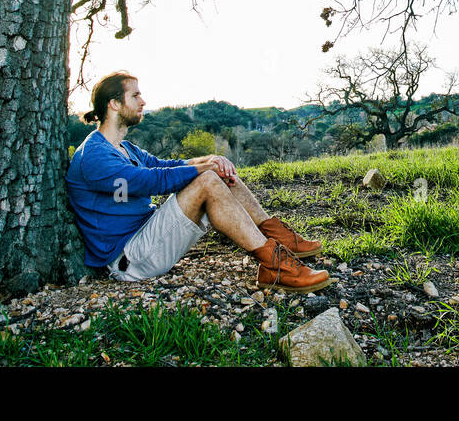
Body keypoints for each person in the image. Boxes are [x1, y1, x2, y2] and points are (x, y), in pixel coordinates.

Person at [65, 70, 332, 293]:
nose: (143, 101)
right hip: (130, 260)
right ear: (114, 103)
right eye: (135, 95)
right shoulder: (95, 155)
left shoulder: (125, 148)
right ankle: (274, 265)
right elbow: (148, 181)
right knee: (207, 180)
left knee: (218, 174)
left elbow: (166, 165)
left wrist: (211, 159)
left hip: (148, 241)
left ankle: (279, 239)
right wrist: (205, 168)